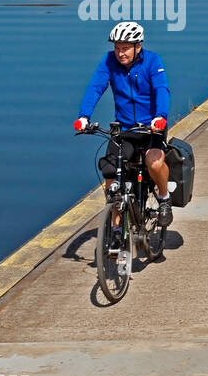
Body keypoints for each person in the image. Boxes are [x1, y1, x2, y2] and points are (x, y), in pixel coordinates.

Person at [74, 21, 173, 229]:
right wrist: (84, 117)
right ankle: (116, 228)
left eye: (125, 48)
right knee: (111, 172)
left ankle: (164, 198)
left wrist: (160, 117)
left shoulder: (153, 61)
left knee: (154, 162)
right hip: (125, 128)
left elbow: (162, 90)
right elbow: (95, 88)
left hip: (151, 127)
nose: (120, 53)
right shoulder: (109, 61)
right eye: (117, 48)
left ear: (138, 46)